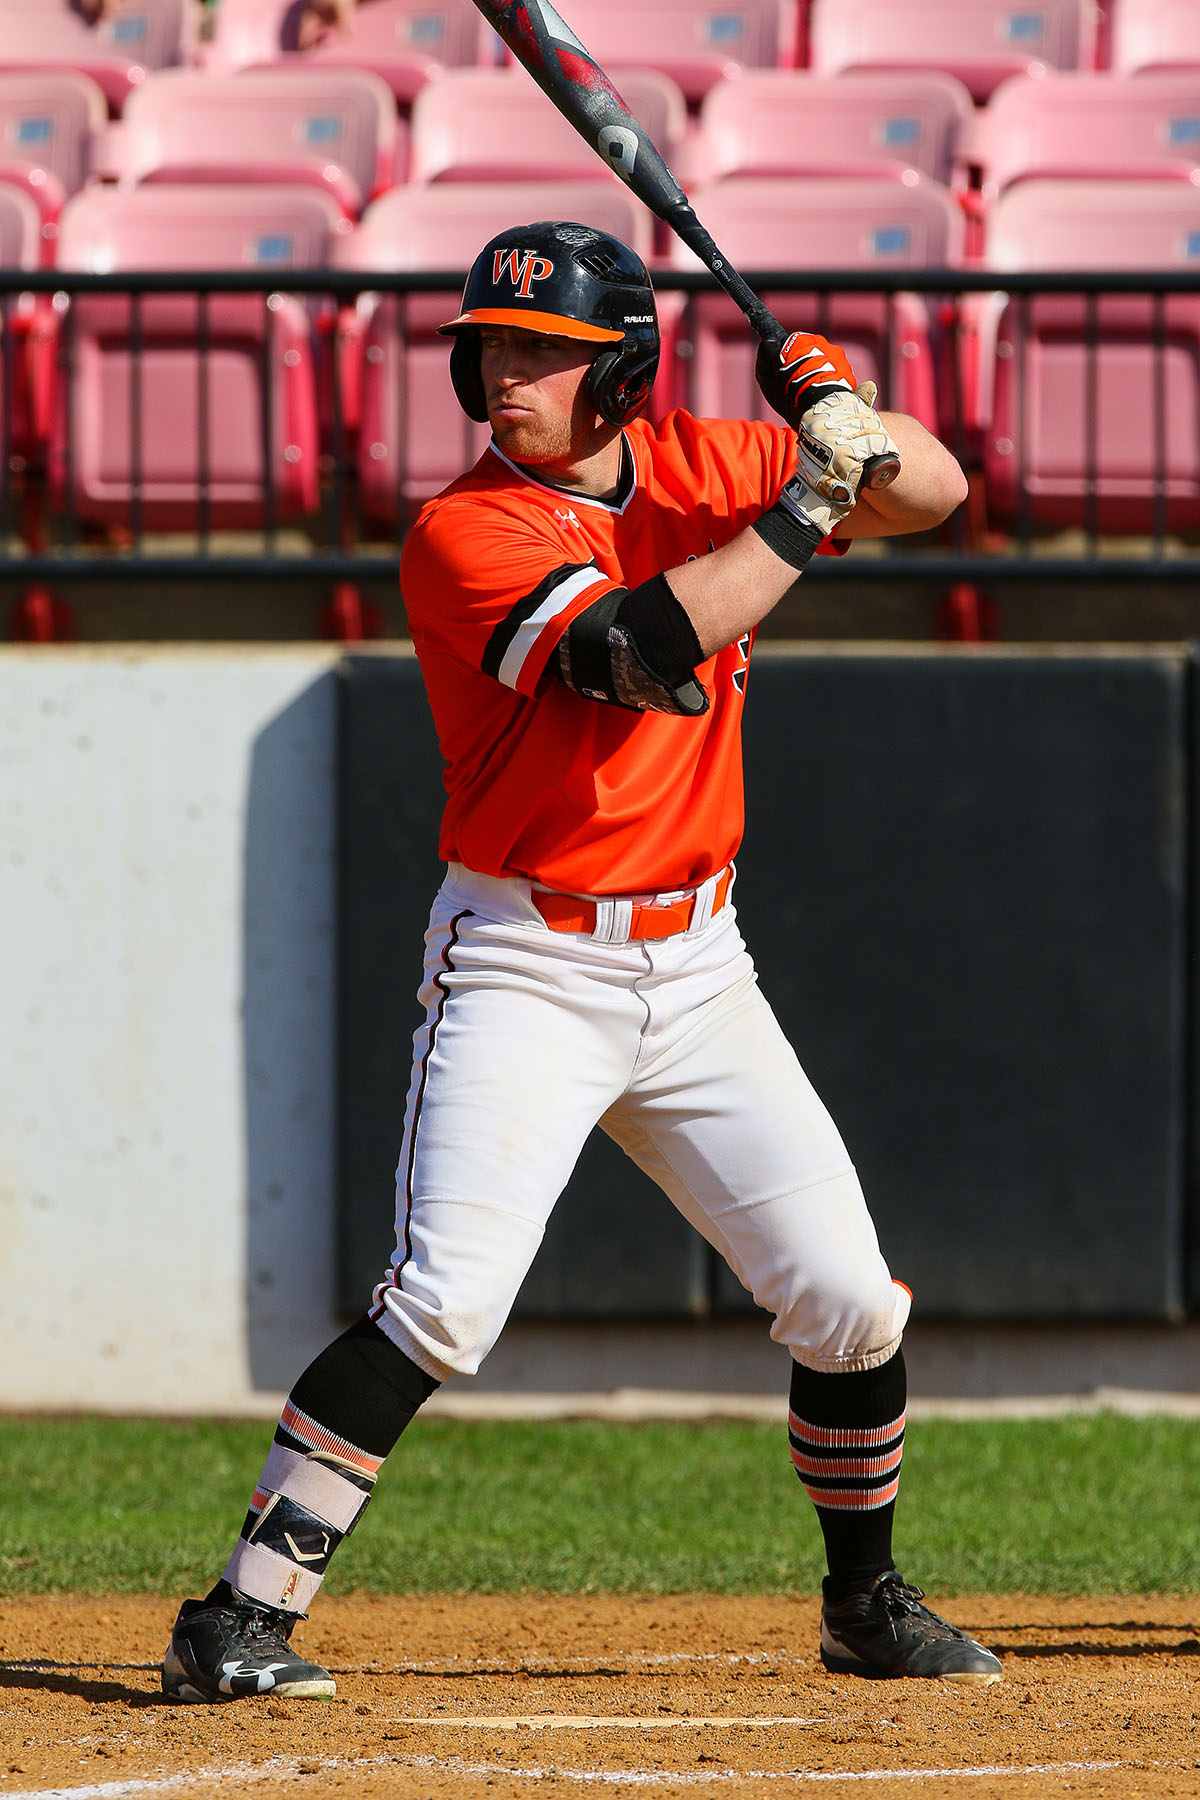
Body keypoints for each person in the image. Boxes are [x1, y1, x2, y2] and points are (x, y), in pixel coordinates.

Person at [161, 220, 1001, 1704]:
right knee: (443, 1308)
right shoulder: (462, 531)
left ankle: (862, 1603)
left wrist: (841, 417)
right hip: (528, 963)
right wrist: (812, 496)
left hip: (698, 964)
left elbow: (940, 491)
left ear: (620, 372)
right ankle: (238, 1616)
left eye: (542, 354)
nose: (505, 377)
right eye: (491, 348)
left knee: (852, 1301)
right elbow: (637, 646)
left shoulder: (699, 462)